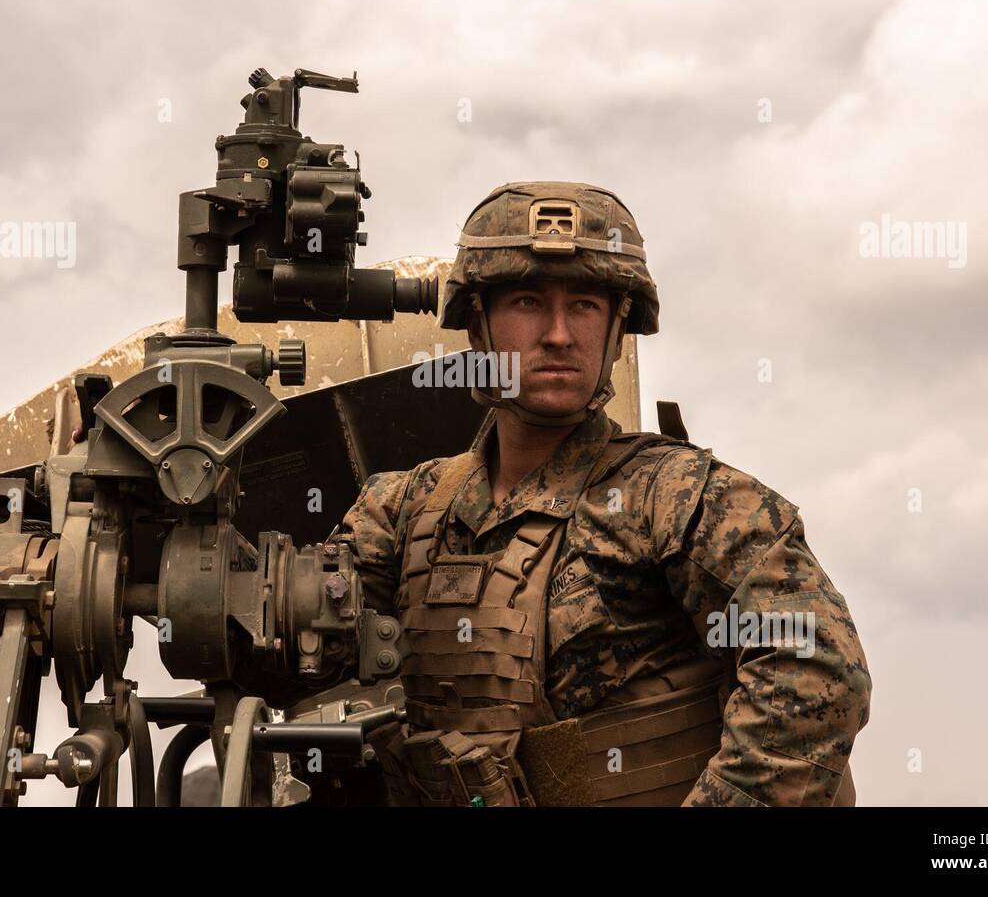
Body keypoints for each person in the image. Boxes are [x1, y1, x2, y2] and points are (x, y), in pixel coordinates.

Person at [335, 182, 871, 806]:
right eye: (529, 301)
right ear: (478, 326)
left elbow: (814, 667)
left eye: (585, 305)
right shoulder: (402, 510)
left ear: (618, 330)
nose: (559, 334)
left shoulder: (680, 498)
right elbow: (295, 648)